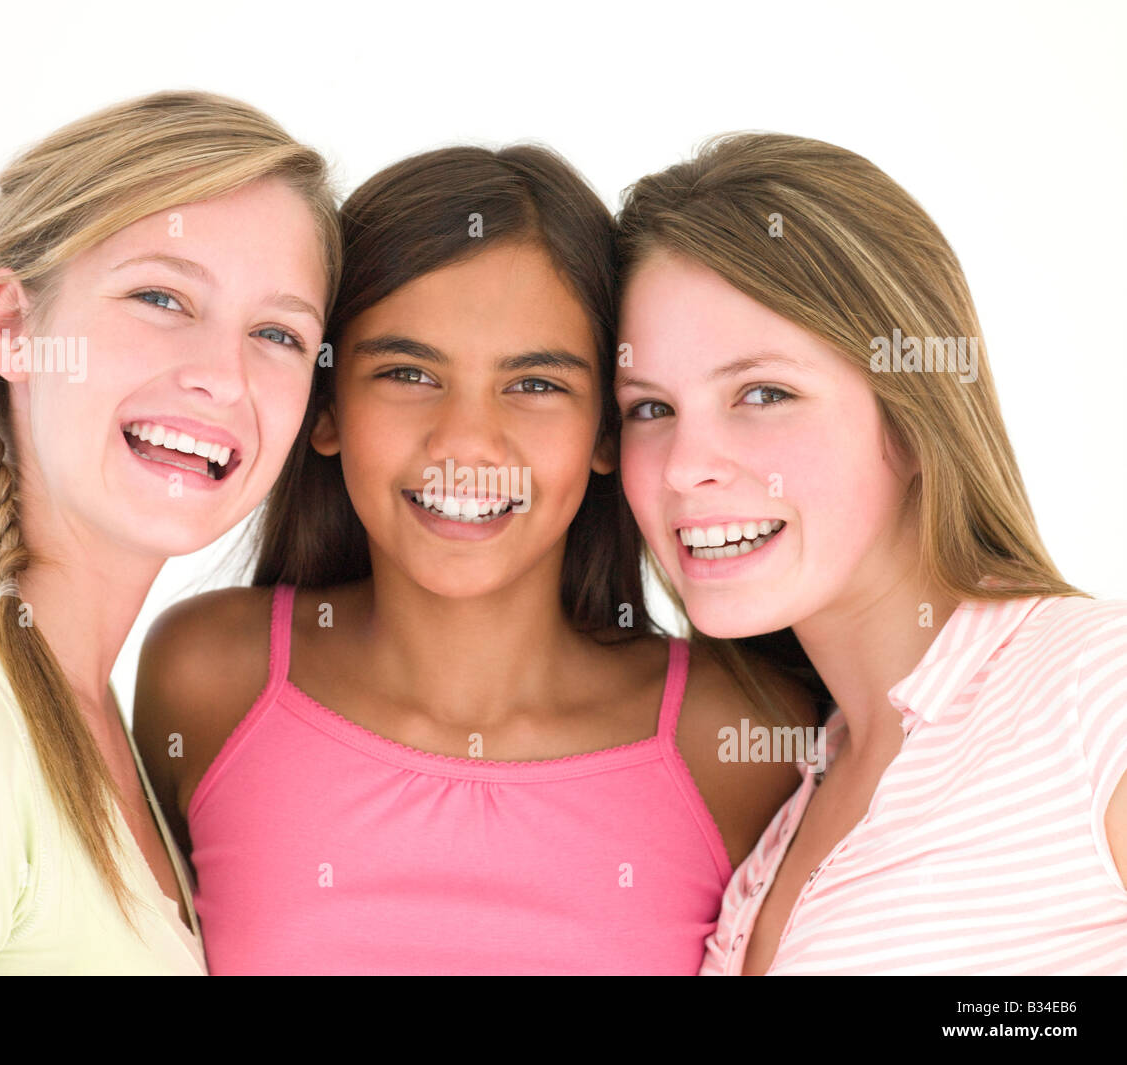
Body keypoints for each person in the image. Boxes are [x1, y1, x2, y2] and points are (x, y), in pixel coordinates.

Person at [135, 144, 814, 975]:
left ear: (609, 428)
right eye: (408, 372)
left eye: (534, 385)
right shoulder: (209, 678)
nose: (464, 442)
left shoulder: (740, 737)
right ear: (327, 407)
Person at [0, 90, 339, 974]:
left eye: (276, 332)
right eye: (161, 297)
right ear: (14, 328)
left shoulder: (94, 708)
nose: (222, 375)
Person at [615, 131, 1127, 974]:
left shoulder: (1090, 689)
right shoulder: (793, 792)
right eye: (649, 407)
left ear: (916, 419)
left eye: (764, 392)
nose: (684, 465)